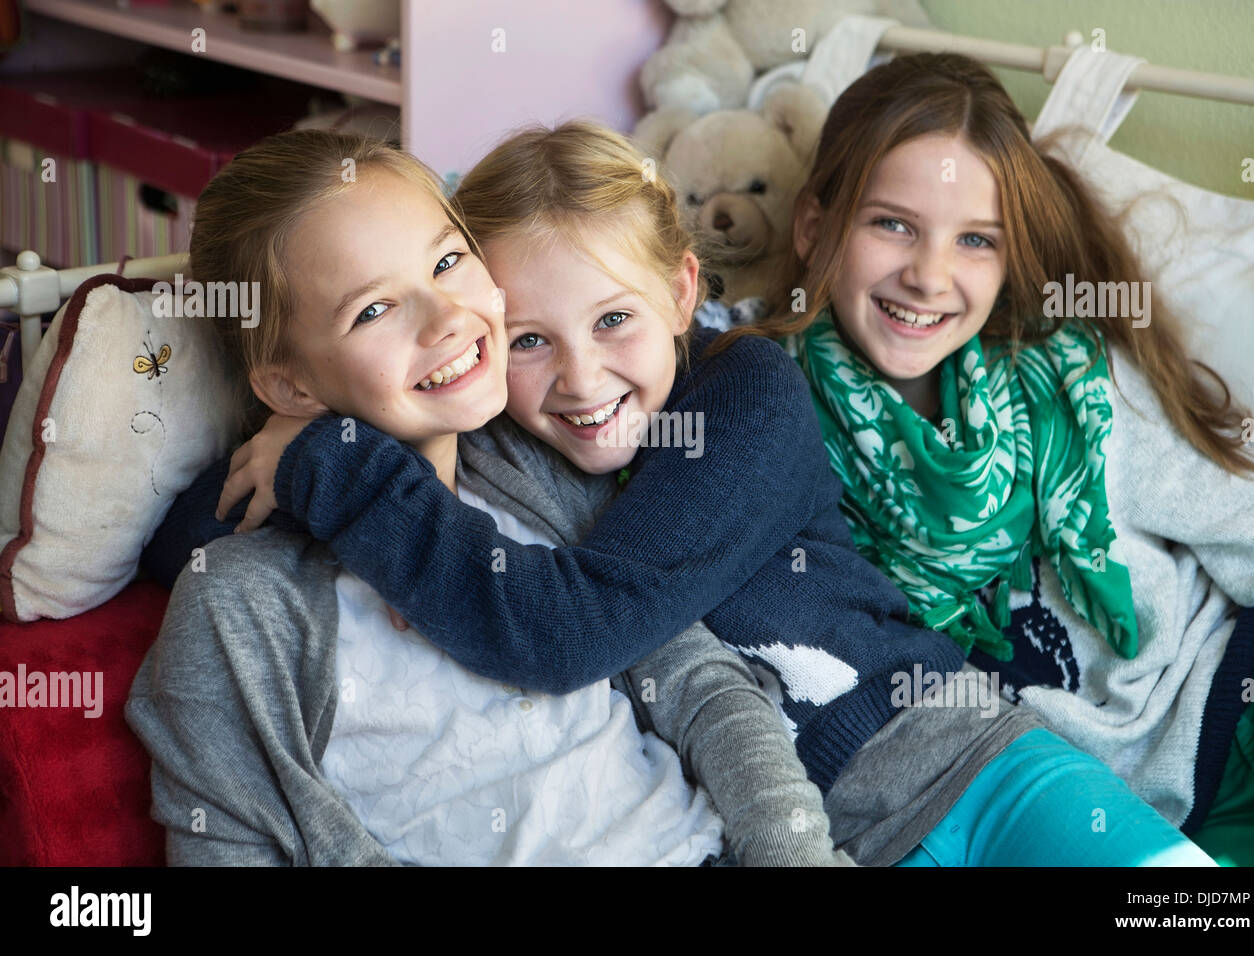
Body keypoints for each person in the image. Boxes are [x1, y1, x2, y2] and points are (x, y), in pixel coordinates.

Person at [210, 122, 1216, 866]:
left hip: (965, 762)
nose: (580, 379)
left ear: (684, 292)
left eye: (615, 320)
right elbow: (239, 558)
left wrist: (328, 450)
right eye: (528, 337)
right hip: (801, 833)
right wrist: (300, 428)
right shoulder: (501, 440)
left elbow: (565, 632)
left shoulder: (744, 397)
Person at [127, 129, 850, 867]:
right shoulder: (238, 603)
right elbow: (224, 837)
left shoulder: (542, 473)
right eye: (373, 310)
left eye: (447, 262)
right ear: (290, 386)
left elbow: (699, 685)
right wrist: (316, 457)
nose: (444, 319)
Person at [730, 52, 1254, 865]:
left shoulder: (1070, 382)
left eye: (975, 241)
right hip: (1090, 807)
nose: (929, 276)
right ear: (816, 226)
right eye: (892, 223)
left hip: (1245, 695)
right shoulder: (766, 416)